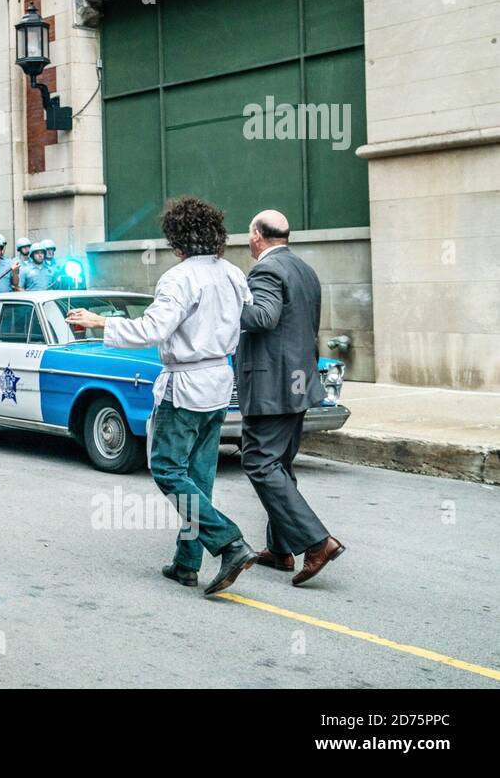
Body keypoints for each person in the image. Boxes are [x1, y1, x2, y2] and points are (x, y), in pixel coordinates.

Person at [67, 196, 256, 596]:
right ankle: (187, 563)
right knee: (199, 476)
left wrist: (100, 320)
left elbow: (151, 330)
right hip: (218, 381)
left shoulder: (179, 277)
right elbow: (246, 316)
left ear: (177, 239)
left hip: (184, 386)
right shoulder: (234, 274)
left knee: (168, 470)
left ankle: (229, 542)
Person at [238, 209, 345, 586]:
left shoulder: (265, 271)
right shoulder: (305, 270)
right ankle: (281, 548)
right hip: (298, 382)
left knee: (260, 463)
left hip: (271, 385)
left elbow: (264, 317)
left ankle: (317, 543)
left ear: (256, 236)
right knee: (280, 464)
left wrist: (230, 304)